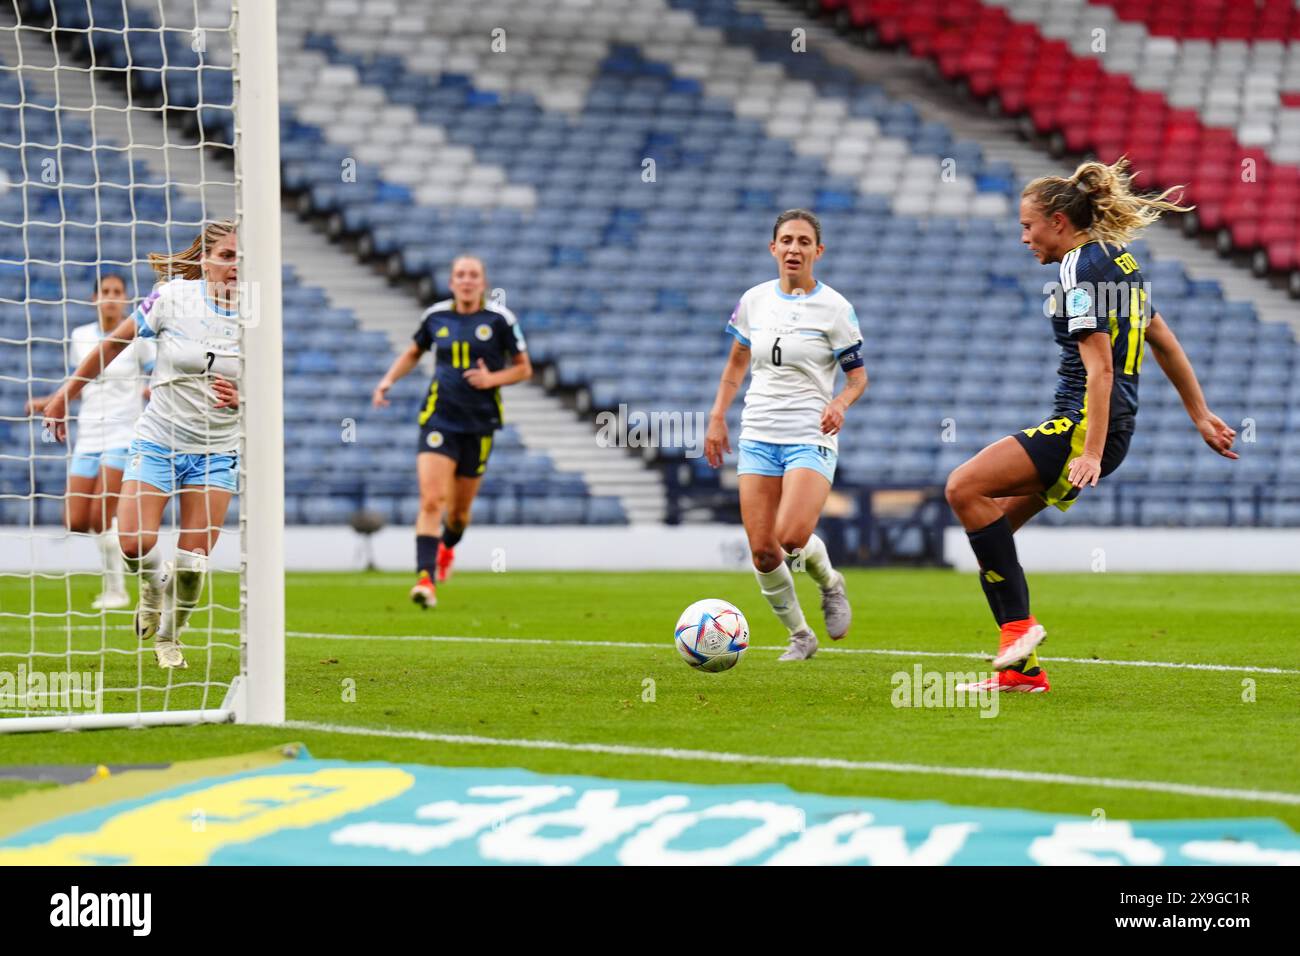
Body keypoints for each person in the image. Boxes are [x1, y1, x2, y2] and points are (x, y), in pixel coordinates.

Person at [945, 159, 1238, 693]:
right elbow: (1162, 338)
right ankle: (1020, 671)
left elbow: (1100, 369)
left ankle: (1019, 629)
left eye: (1027, 225)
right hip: (1107, 425)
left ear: (1058, 221)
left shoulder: (1078, 270)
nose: (1023, 237)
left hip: (1086, 426)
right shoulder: (1119, 261)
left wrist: (1091, 452)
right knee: (994, 531)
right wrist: (1199, 413)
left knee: (963, 487)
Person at [43, 221, 242, 669]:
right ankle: (152, 587)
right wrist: (62, 397)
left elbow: (269, 382)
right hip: (158, 441)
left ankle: (170, 637)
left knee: (193, 567)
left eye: (242, 258)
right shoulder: (172, 296)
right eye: (228, 256)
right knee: (133, 542)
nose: (237, 266)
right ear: (205, 259)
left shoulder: (258, 311)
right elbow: (114, 344)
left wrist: (243, 396)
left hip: (217, 450)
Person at [704, 209, 868, 661]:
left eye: (803, 241)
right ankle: (800, 635)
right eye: (786, 240)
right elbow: (737, 361)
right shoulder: (754, 300)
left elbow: (858, 378)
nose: (794, 248)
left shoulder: (835, 308)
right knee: (761, 552)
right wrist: (718, 415)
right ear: (773, 248)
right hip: (758, 433)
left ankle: (831, 583)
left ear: (819, 250)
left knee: (791, 537)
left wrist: (840, 403)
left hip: (808, 433)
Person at [371, 254, 531, 609]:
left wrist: (492, 378)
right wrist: (387, 381)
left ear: (483, 282)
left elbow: (524, 369)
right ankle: (425, 580)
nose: (467, 280)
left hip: (480, 424)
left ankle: (446, 549)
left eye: (474, 274)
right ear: (451, 282)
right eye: (460, 274)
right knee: (431, 500)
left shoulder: (500, 320)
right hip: (438, 418)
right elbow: (414, 352)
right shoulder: (435, 317)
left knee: (458, 515)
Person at [26, 274, 154, 609]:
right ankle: (146, 568)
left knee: (103, 516)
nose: (111, 298)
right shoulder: (80, 336)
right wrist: (50, 402)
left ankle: (119, 589)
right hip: (87, 435)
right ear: (94, 298)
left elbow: (157, 372)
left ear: (125, 299)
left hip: (123, 433)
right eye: (105, 292)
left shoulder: (137, 335)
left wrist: (152, 389)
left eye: (117, 292)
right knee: (76, 519)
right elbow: (79, 381)